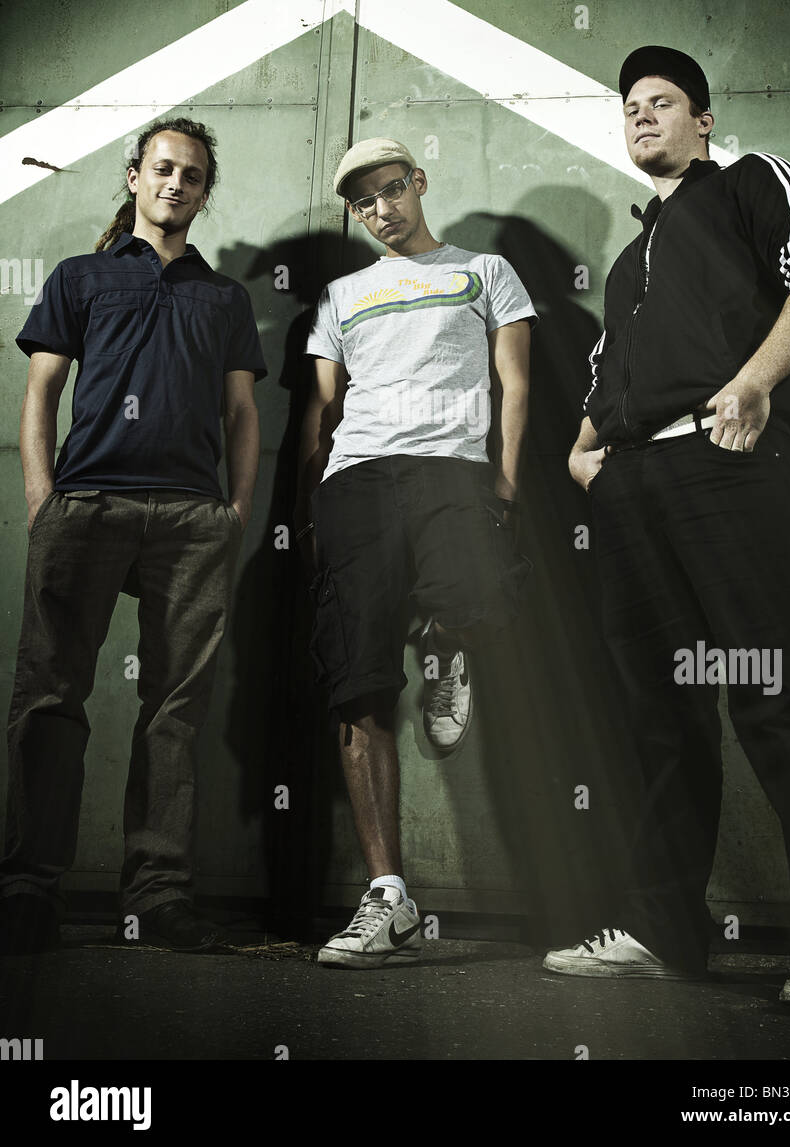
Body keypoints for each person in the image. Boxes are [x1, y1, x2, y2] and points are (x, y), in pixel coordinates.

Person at [545, 46, 790, 1017]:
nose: (641, 116)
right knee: (660, 713)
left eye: (662, 102)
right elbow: (610, 374)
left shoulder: (751, 183)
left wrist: (754, 381)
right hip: (633, 489)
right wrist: (579, 451)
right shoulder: (629, 261)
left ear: (704, 120)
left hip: (725, 469)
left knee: (774, 697)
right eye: (630, 106)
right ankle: (662, 930)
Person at [0, 118, 266, 955]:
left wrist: (233, 513)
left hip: (190, 520)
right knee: (49, 698)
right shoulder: (81, 277)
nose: (176, 183)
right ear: (134, 177)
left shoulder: (223, 296)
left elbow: (242, 415)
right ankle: (28, 889)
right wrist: (45, 501)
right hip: (88, 507)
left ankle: (157, 895)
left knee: (175, 709)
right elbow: (41, 395)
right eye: (162, 169)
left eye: (191, 174)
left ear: (204, 191)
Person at [295, 137, 536, 968]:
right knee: (356, 679)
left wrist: (503, 481)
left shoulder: (486, 272)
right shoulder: (342, 294)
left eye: (391, 191)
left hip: (452, 473)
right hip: (358, 480)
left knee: (479, 602)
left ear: (419, 181)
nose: (381, 211)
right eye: (363, 204)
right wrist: (312, 504)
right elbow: (321, 409)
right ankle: (389, 897)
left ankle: (444, 645)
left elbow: (517, 380)